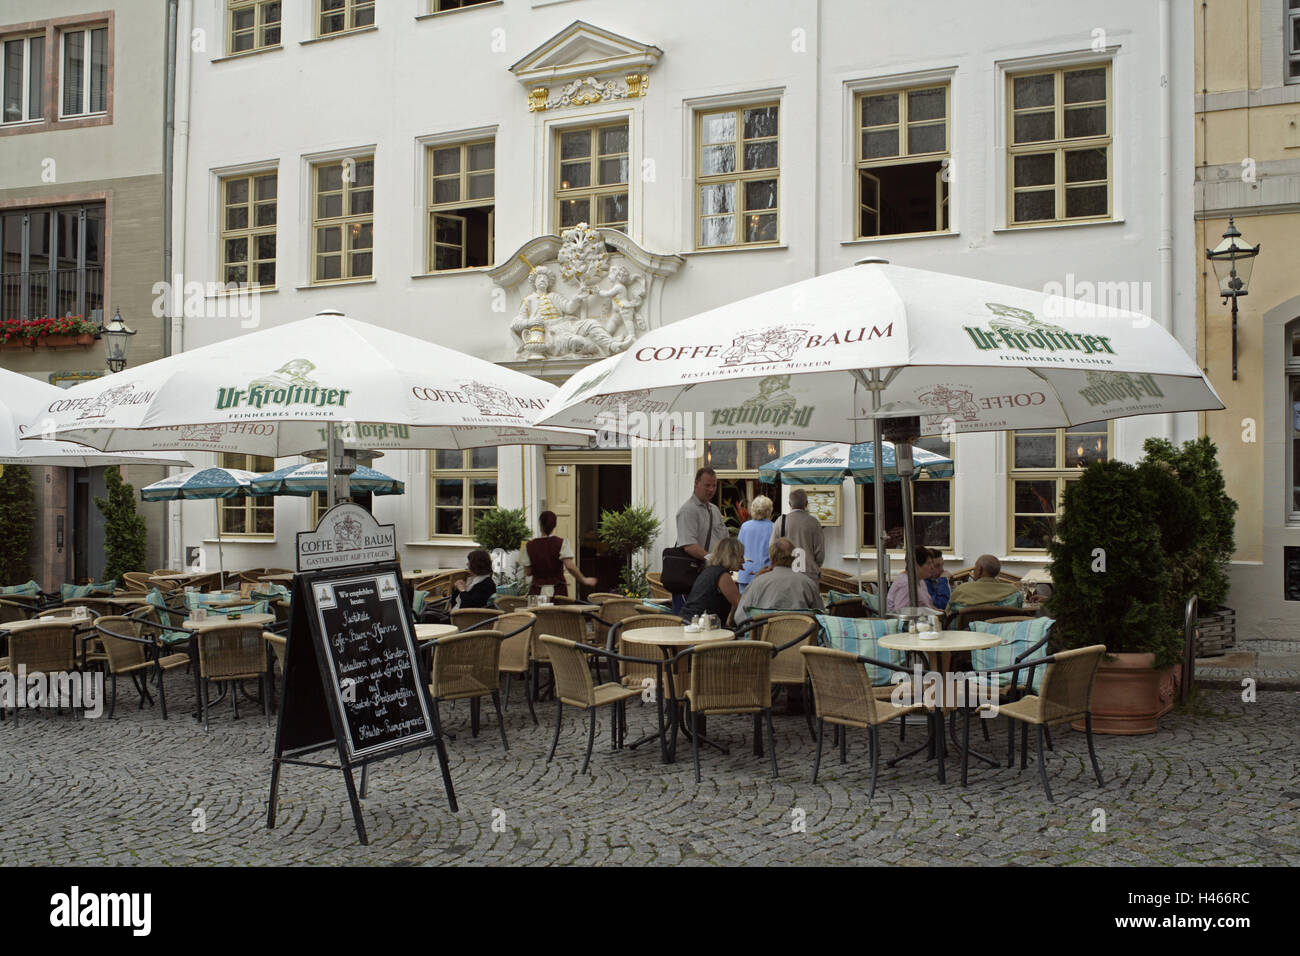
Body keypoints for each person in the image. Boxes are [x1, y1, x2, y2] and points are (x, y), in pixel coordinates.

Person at [672, 467, 727, 612]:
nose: (711, 489)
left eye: (714, 485)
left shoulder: (714, 510)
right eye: (707, 485)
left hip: (710, 577)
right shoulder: (688, 511)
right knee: (689, 623)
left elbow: (724, 540)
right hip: (690, 578)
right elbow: (689, 546)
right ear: (696, 484)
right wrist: (713, 558)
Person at [735, 538, 825, 624]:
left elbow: (739, 618)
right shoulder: (807, 583)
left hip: (763, 638)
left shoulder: (758, 582)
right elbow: (821, 616)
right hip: (801, 637)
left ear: (772, 558)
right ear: (793, 558)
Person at [521, 510, 596, 598]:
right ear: (555, 525)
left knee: (536, 612)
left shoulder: (529, 545)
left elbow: (528, 572)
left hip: (537, 591)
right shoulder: (561, 543)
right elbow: (569, 566)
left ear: (540, 524)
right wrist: (583, 579)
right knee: (558, 611)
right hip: (557, 590)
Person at [680, 536, 745, 623]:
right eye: (741, 557)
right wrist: (756, 581)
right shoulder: (722, 575)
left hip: (688, 621)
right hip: (700, 627)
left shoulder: (710, 570)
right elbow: (741, 604)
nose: (744, 561)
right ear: (731, 556)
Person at [769, 487, 824, 585]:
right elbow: (820, 554)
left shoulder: (780, 521)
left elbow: (772, 549)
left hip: (785, 574)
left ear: (790, 504)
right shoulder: (814, 523)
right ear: (806, 504)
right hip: (809, 575)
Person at [948, 554, 1021, 611]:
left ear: (980, 570)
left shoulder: (962, 590)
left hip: (968, 629)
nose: (974, 571)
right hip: (1001, 628)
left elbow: (948, 612)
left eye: (975, 568)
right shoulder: (1012, 591)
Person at [736, 495, 775, 593]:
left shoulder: (745, 527)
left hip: (745, 573)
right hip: (765, 573)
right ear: (769, 510)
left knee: (745, 604)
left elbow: (738, 549)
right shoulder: (773, 527)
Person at [886, 547, 941, 612]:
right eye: (928, 563)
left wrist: (937, 611)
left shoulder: (921, 581)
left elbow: (926, 606)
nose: (932, 567)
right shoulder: (906, 584)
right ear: (915, 565)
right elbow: (901, 613)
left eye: (932, 563)